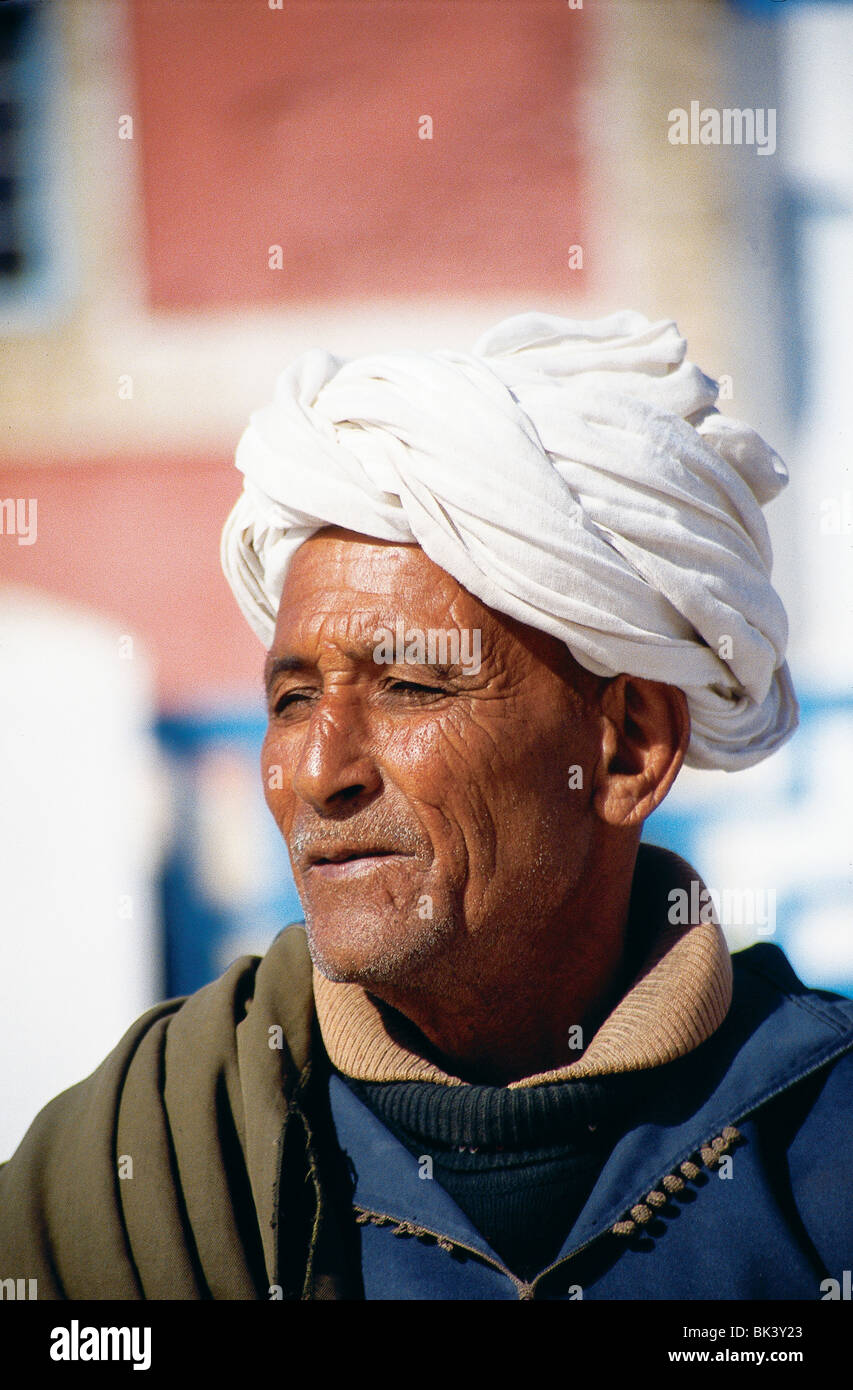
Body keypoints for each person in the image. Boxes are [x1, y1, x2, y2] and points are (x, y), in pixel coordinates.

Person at [1, 312, 850, 1301]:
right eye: (290, 699)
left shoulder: (823, 1145)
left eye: (410, 686)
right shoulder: (139, 1167)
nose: (319, 770)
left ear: (627, 747)